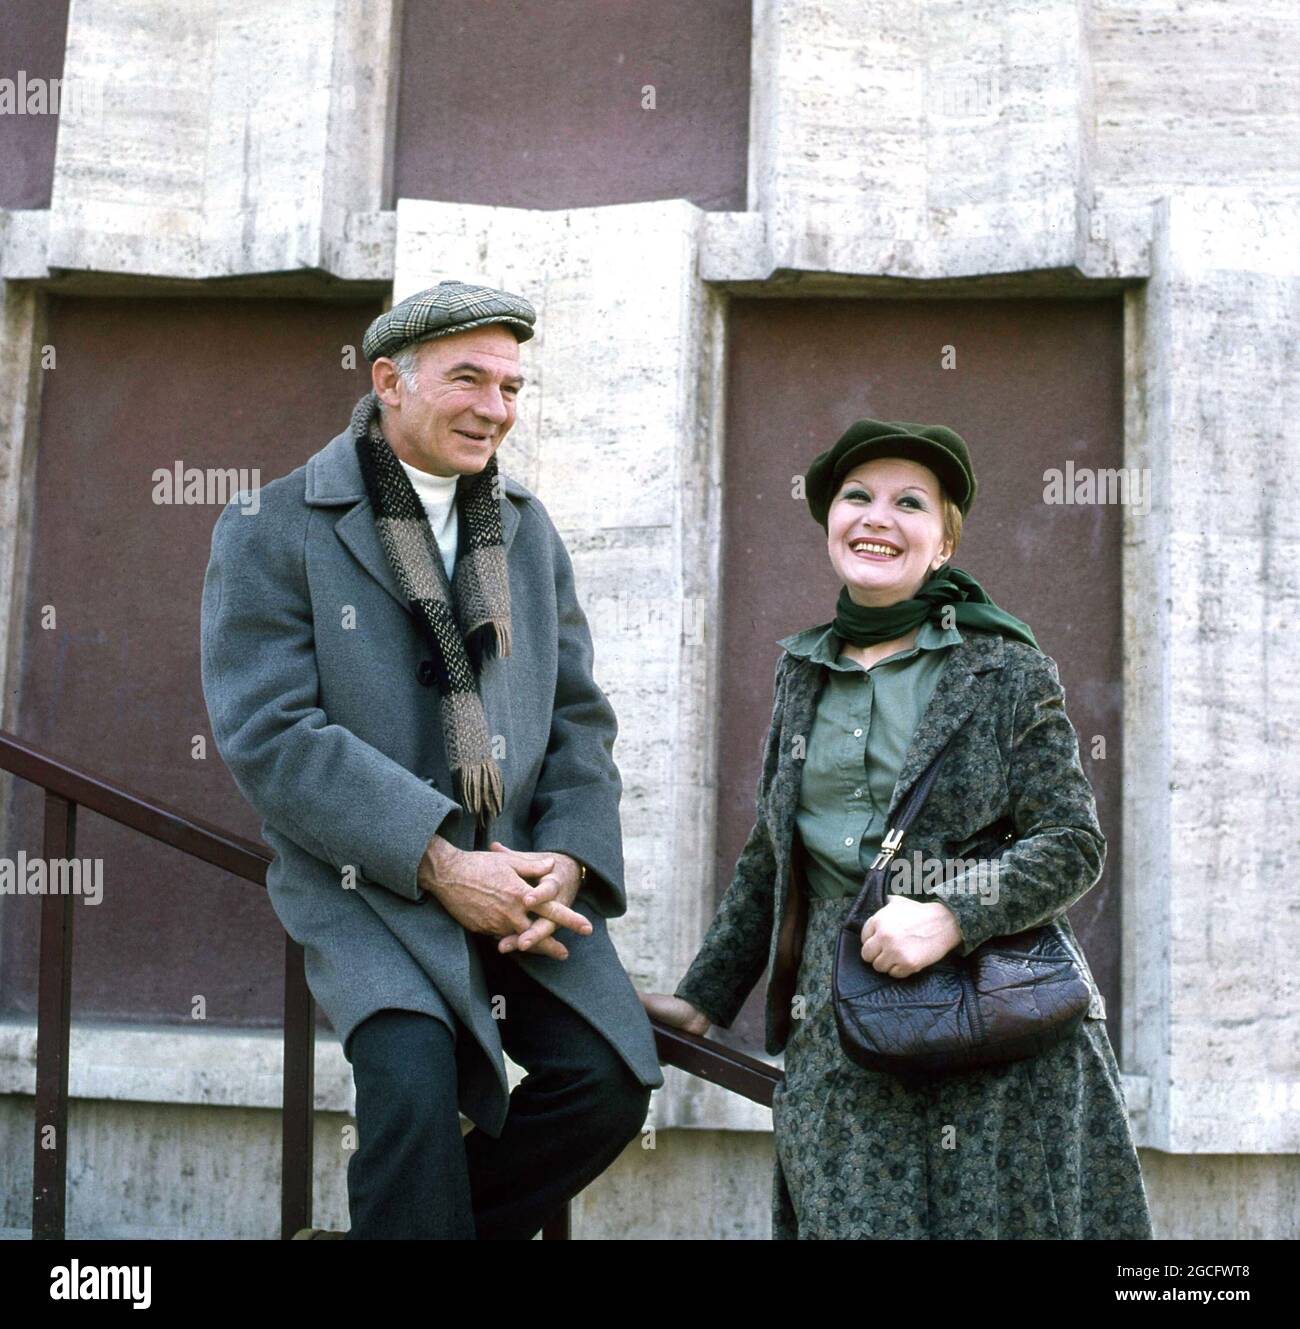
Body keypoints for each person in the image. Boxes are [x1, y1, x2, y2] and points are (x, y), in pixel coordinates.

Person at [200, 280, 662, 1239]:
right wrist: (443, 863)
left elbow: (581, 719)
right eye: (469, 379)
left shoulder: (528, 529)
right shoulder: (270, 525)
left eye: (511, 387)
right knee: (410, 1087)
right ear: (389, 382)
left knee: (610, 1082)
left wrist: (567, 859)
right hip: (370, 880)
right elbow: (272, 736)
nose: (496, 410)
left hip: (524, 881)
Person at [642, 420, 1154, 1239]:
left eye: (910, 503)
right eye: (858, 497)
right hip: (845, 1038)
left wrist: (949, 913)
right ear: (831, 524)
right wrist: (705, 999)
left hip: (1000, 1034)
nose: (878, 516)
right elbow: (775, 855)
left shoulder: (1007, 667)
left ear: (943, 543)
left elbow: (1071, 840)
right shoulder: (801, 671)